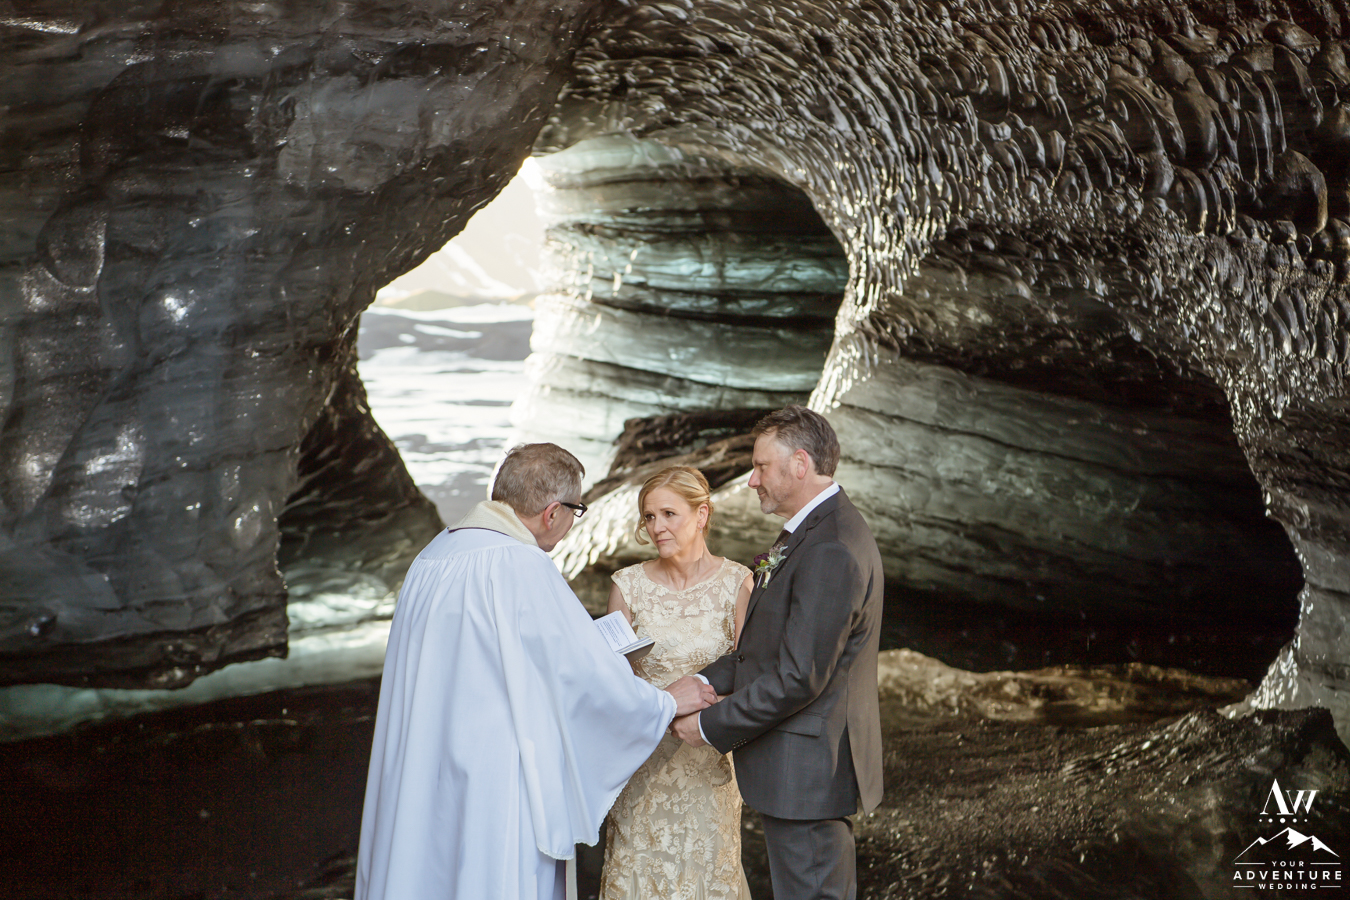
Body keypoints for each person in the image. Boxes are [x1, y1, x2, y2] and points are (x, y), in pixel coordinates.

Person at [355, 443, 717, 900]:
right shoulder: (520, 565)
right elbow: (581, 674)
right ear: (553, 513)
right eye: (576, 511)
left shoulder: (433, 555)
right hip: (496, 775)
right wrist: (664, 702)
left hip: (422, 760)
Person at [671, 407, 884, 900]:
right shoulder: (813, 531)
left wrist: (706, 725)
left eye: (762, 466)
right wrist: (697, 684)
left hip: (809, 775)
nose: (751, 480)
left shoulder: (831, 546)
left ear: (800, 464)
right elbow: (765, 649)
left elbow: (799, 677)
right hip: (802, 771)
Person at [599, 466, 755, 900]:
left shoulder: (738, 583)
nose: (657, 527)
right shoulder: (627, 587)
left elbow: (749, 675)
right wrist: (660, 709)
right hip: (642, 768)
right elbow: (613, 689)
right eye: (649, 517)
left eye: (669, 513)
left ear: (702, 514)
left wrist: (706, 717)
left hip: (708, 764)